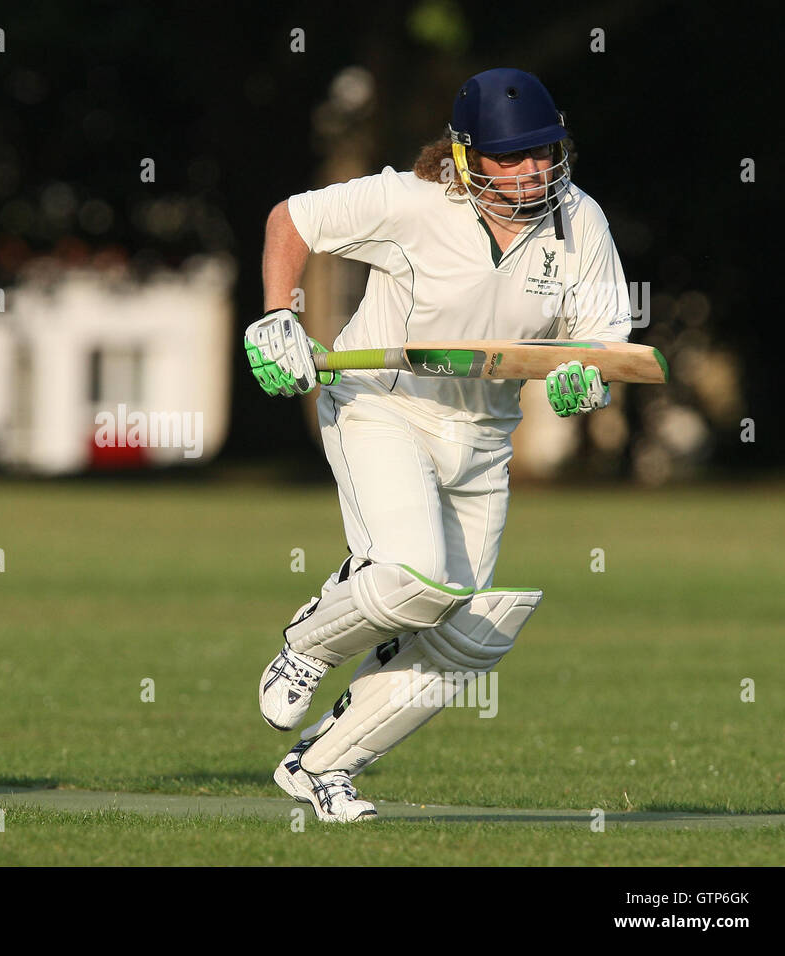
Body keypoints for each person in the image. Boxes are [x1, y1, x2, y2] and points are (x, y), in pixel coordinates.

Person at [244, 68, 631, 821]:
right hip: (383, 408)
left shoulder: (580, 221)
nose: (532, 172)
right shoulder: (411, 202)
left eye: (544, 153)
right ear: (464, 159)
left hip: (484, 436)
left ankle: (324, 766)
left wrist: (586, 381)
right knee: (416, 580)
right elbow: (290, 221)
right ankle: (309, 643)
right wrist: (277, 316)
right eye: (510, 158)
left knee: (470, 630)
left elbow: (604, 343)